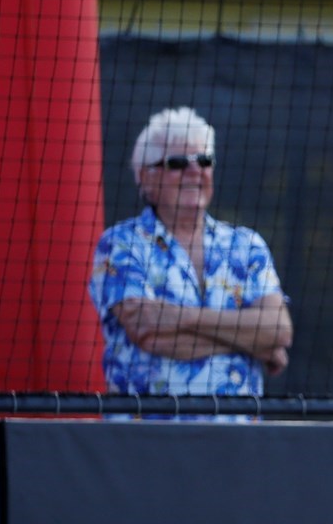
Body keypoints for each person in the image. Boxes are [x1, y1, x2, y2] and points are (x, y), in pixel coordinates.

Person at [88, 107, 293, 400]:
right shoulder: (121, 244)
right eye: (178, 163)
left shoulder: (247, 245)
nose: (195, 171)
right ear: (146, 178)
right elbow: (148, 330)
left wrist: (175, 319)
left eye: (204, 161)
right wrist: (252, 342)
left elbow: (279, 330)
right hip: (144, 435)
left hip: (237, 435)